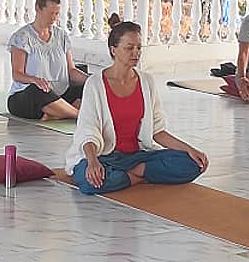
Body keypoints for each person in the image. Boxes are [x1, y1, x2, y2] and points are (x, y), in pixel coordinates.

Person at [66, 16, 208, 194]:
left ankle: (132, 174)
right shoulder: (95, 84)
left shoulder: (146, 81)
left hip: (138, 157)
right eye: (129, 48)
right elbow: (88, 132)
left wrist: (190, 150)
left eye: (139, 48)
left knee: (192, 164)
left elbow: (158, 131)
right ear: (113, 50)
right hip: (105, 157)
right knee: (89, 183)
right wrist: (93, 162)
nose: (136, 53)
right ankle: (137, 177)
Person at [6, 0, 88, 120]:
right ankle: (78, 114)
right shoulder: (22, 37)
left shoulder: (61, 35)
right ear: (38, 8)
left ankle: (57, 113)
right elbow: (17, 74)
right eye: (50, 13)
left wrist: (92, 80)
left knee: (87, 86)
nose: (54, 18)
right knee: (37, 91)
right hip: (28, 96)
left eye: (56, 14)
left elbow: (71, 71)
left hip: (58, 95)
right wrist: (35, 80)